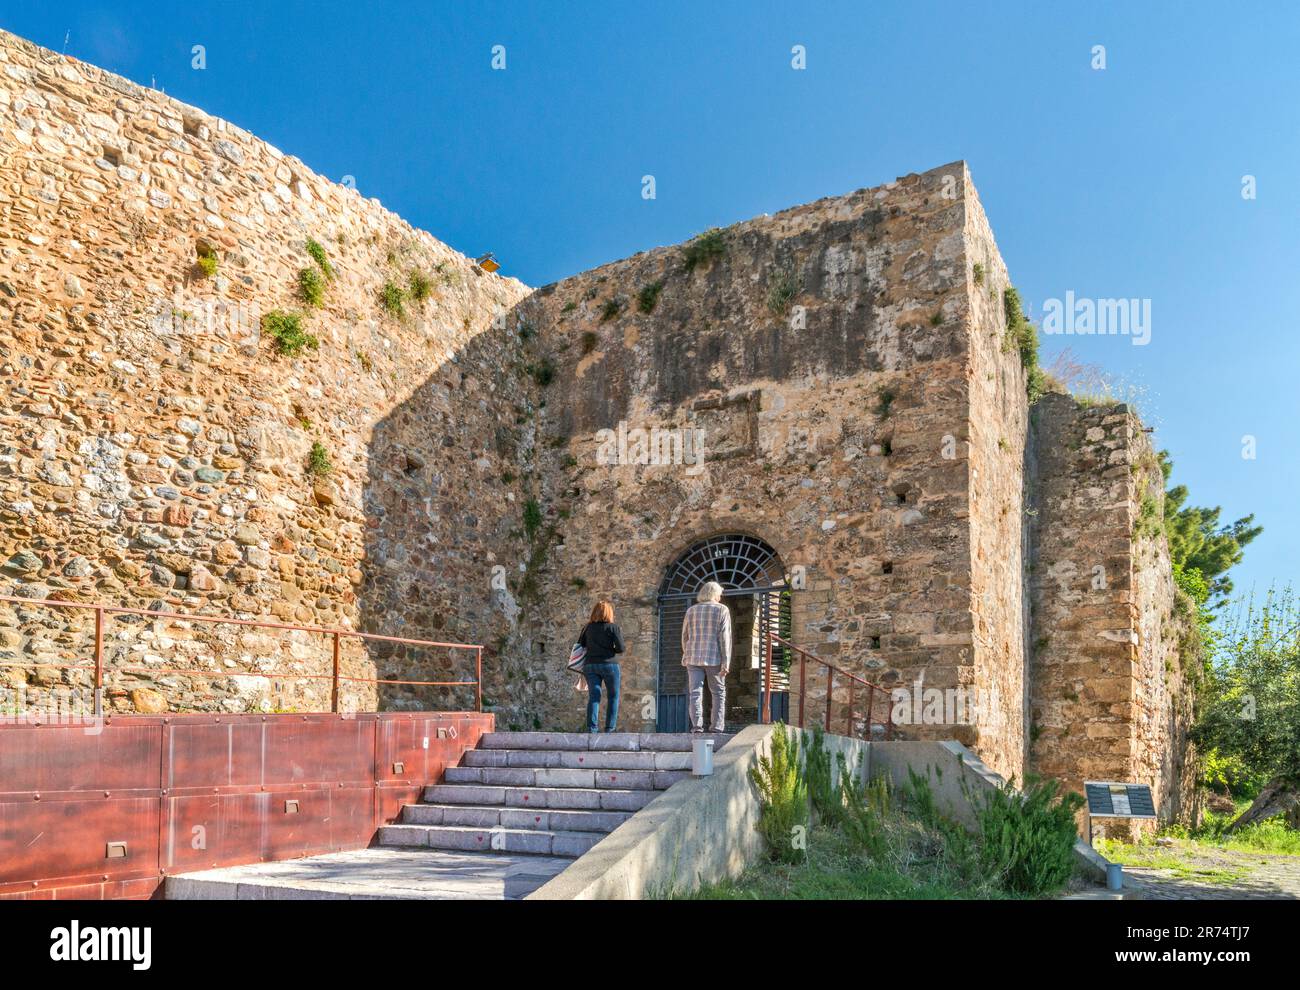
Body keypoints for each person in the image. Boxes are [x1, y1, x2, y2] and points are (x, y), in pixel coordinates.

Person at [681, 581, 731, 733]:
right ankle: (716, 727)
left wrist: (686, 652)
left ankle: (697, 726)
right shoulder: (722, 610)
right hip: (714, 657)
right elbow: (725, 638)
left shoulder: (691, 611)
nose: (720, 597)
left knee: (695, 692)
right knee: (718, 693)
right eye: (720, 594)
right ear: (715, 594)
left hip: (693, 657)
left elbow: (685, 635)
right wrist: (726, 661)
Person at [578, 600, 625, 733]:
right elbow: (621, 648)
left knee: (594, 697)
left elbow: (581, 646)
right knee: (613, 696)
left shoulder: (587, 628)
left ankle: (592, 729)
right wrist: (611, 650)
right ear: (609, 613)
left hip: (590, 665)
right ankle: (610, 729)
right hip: (609, 664)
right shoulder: (613, 627)